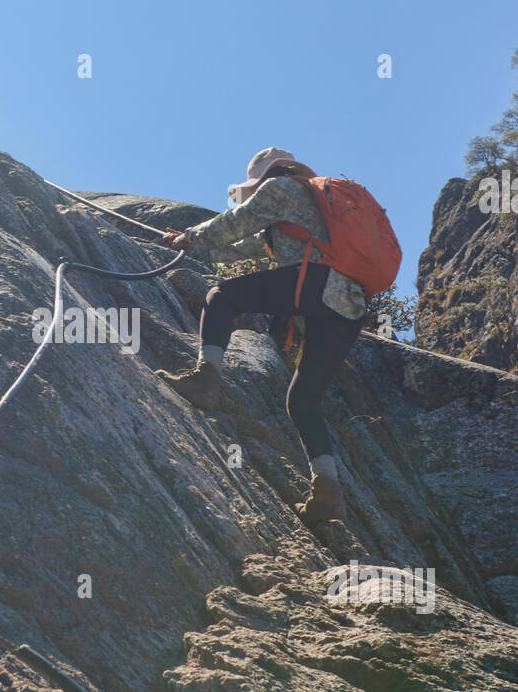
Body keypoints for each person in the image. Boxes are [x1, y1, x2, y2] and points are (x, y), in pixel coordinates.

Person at [156, 148, 373, 524]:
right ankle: (328, 493)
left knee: (220, 296)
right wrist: (190, 241)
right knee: (303, 401)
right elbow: (241, 246)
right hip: (347, 305)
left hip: (317, 286)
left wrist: (192, 237)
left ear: (267, 176)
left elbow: (236, 222)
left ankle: (206, 380)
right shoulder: (305, 205)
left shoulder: (283, 187)